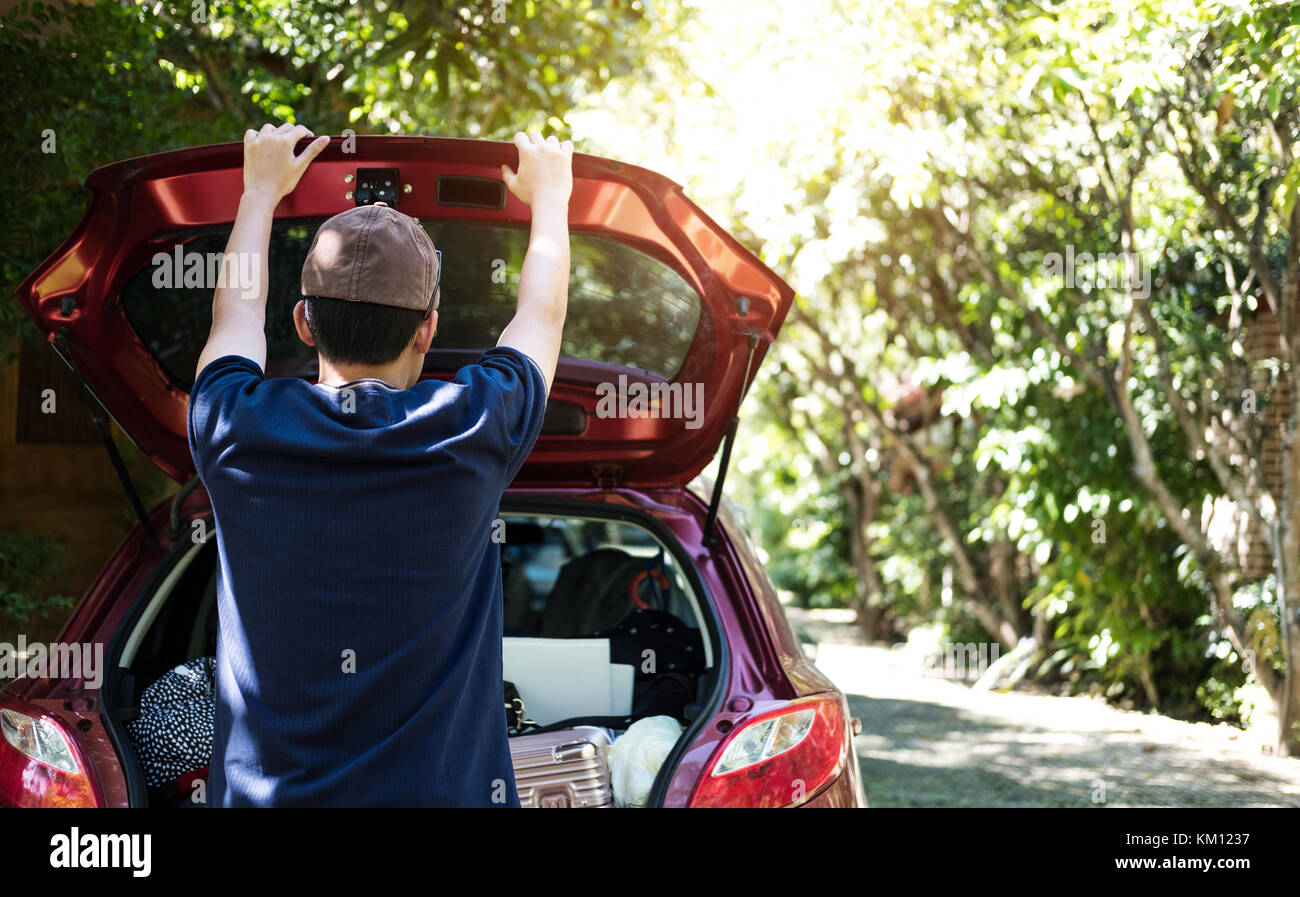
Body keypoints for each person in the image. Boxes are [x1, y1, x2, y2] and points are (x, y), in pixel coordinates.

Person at [187, 123, 574, 806]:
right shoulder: (471, 426)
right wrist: (553, 199)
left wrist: (258, 194)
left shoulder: (236, 427)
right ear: (427, 328)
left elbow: (235, 315)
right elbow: (541, 316)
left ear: (303, 322)